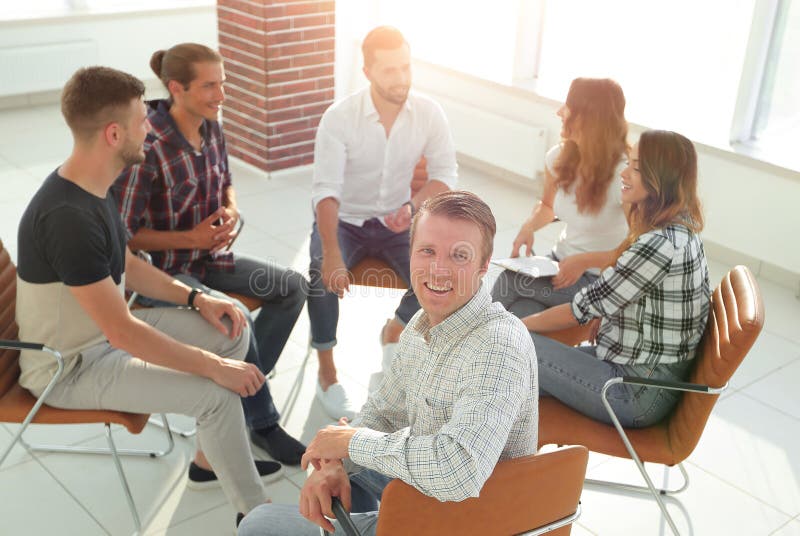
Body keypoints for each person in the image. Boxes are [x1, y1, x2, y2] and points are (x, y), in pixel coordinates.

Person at [16, 66, 275, 523]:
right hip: (71, 367)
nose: (149, 130)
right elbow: (122, 333)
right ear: (114, 134)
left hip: (101, 337)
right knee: (214, 394)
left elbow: (129, 267)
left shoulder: (93, 187)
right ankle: (260, 520)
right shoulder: (66, 217)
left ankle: (208, 462)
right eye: (142, 122)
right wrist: (215, 369)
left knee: (231, 322)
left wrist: (198, 300)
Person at [238, 191, 538, 536]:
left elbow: (459, 470)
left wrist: (350, 443)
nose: (438, 270)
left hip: (465, 521)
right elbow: (385, 411)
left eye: (459, 255)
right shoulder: (422, 325)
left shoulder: (497, 346)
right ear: (410, 254)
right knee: (350, 473)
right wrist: (338, 462)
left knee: (258, 525)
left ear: (484, 267)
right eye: (427, 251)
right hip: (427, 496)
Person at [111, 43, 306, 465]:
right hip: (161, 275)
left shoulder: (211, 125)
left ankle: (242, 386)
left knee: (292, 287)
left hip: (210, 261)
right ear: (176, 88)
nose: (221, 95)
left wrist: (232, 210)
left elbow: (227, 181)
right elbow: (123, 238)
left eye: (224, 84)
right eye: (210, 86)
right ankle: (263, 422)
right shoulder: (147, 145)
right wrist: (192, 239)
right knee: (234, 316)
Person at [309, 26, 458, 419]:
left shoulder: (428, 113)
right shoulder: (340, 118)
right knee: (319, 277)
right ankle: (327, 373)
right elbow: (326, 191)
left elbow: (446, 173)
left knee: (439, 275)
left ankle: (395, 328)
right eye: (389, 70)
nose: (401, 78)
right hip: (346, 219)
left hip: (399, 221)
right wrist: (330, 253)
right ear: (368, 71)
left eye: (405, 67)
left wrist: (413, 207)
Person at [524, 130, 710, 427]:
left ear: (660, 176)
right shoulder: (680, 228)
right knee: (512, 379)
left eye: (635, 167)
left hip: (633, 393)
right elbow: (618, 298)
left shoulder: (657, 245)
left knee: (516, 346)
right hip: (640, 375)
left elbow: (579, 310)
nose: (624, 173)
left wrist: (512, 328)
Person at [491, 78, 629, 318]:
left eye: (567, 106)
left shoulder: (624, 175)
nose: (559, 112)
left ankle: (467, 344)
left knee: (509, 281)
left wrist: (586, 260)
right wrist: (529, 226)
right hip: (557, 265)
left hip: (599, 280)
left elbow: (640, 249)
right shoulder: (558, 157)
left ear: (589, 117)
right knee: (522, 313)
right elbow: (547, 206)